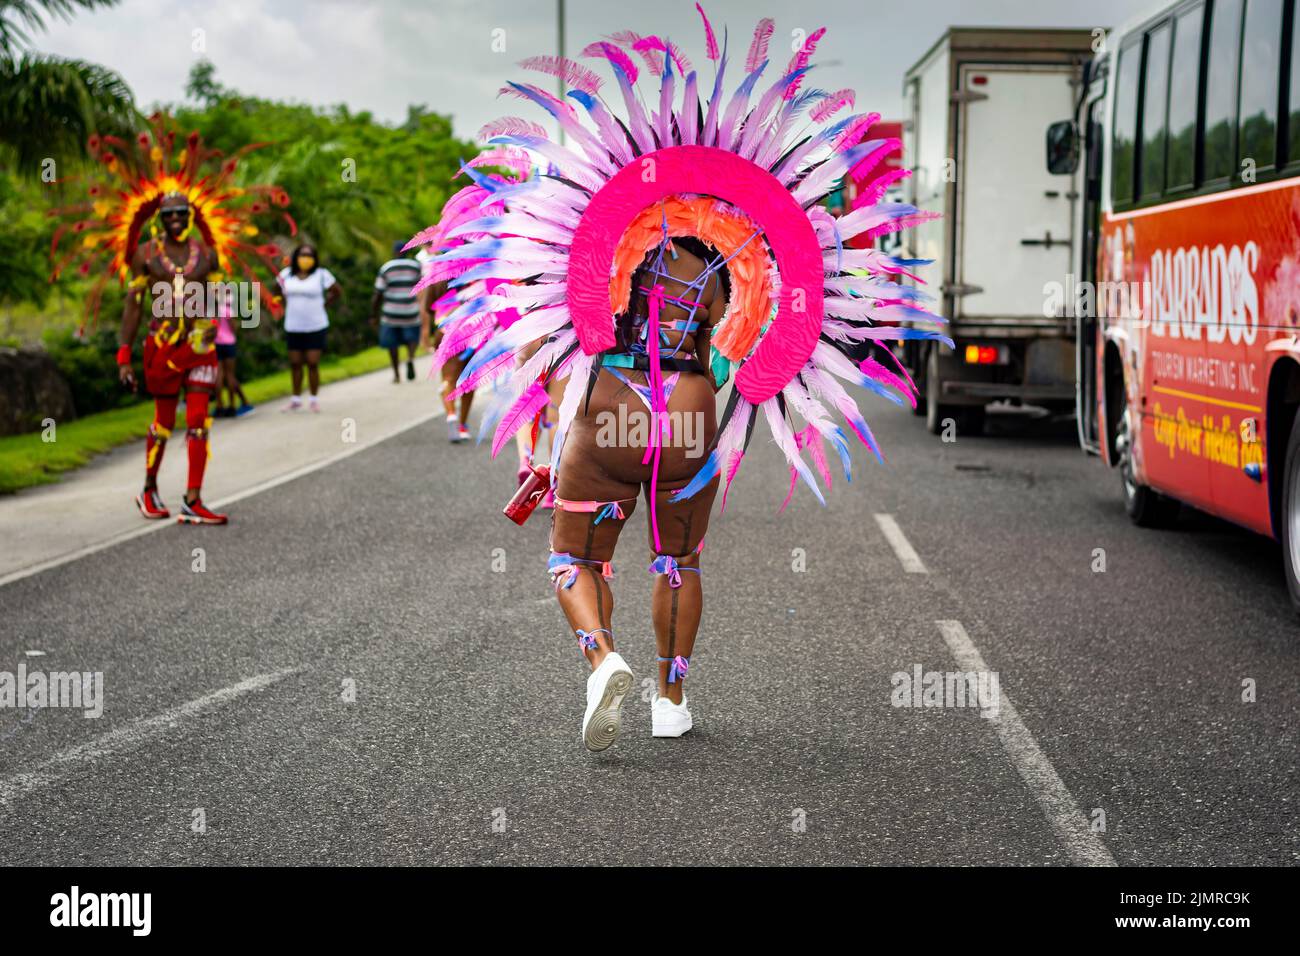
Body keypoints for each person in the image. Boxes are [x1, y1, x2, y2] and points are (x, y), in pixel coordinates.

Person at [418, 12, 948, 753]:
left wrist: (540, 443)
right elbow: (754, 346)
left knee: (576, 556)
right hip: (691, 407)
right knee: (677, 559)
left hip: (610, 405)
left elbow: (544, 342)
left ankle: (601, 659)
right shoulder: (737, 254)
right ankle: (671, 698)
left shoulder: (590, 229)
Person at [116, 193, 228, 524]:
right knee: (164, 424)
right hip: (163, 349)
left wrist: (215, 328)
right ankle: (148, 489)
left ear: (191, 216)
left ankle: (193, 499)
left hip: (199, 348)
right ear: (159, 218)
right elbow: (133, 306)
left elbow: (218, 296)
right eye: (169, 214)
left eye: (181, 212)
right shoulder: (145, 255)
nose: (175, 218)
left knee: (199, 423)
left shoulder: (208, 255)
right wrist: (124, 356)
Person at [276, 243, 339, 412]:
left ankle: (313, 398)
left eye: (309, 255)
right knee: (295, 363)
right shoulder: (286, 275)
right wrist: (280, 306)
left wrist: (324, 305)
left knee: (312, 362)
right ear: (296, 257)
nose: (305, 259)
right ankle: (295, 399)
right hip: (293, 325)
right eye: (302, 255)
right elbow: (275, 293)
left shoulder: (321, 275)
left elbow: (336, 291)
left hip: (316, 325)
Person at [372, 240, 423, 383]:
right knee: (412, 338)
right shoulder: (415, 266)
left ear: (394, 252)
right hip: (410, 311)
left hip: (391, 313)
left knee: (391, 344)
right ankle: (410, 358)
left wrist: (373, 314)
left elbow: (378, 293)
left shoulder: (386, 268)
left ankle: (396, 374)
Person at [214, 284, 254, 418]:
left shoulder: (211, 310)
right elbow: (233, 327)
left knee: (218, 375)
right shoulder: (226, 309)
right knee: (230, 375)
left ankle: (219, 405)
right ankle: (232, 406)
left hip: (216, 344)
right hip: (228, 343)